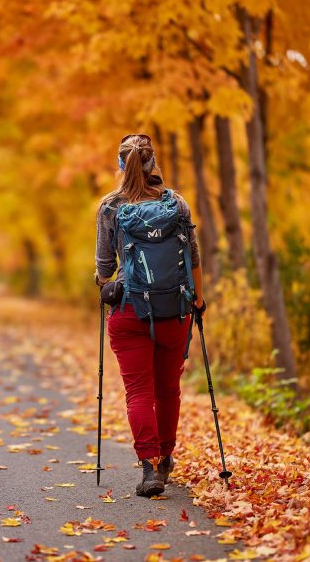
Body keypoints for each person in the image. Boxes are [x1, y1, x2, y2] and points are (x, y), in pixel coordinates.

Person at [94, 133, 205, 497]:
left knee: (138, 391)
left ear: (121, 164)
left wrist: (102, 279)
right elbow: (194, 258)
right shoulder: (176, 203)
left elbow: (105, 266)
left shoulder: (110, 207)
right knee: (168, 389)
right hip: (173, 309)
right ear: (152, 162)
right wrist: (198, 301)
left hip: (130, 312)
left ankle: (150, 468)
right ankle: (167, 457)